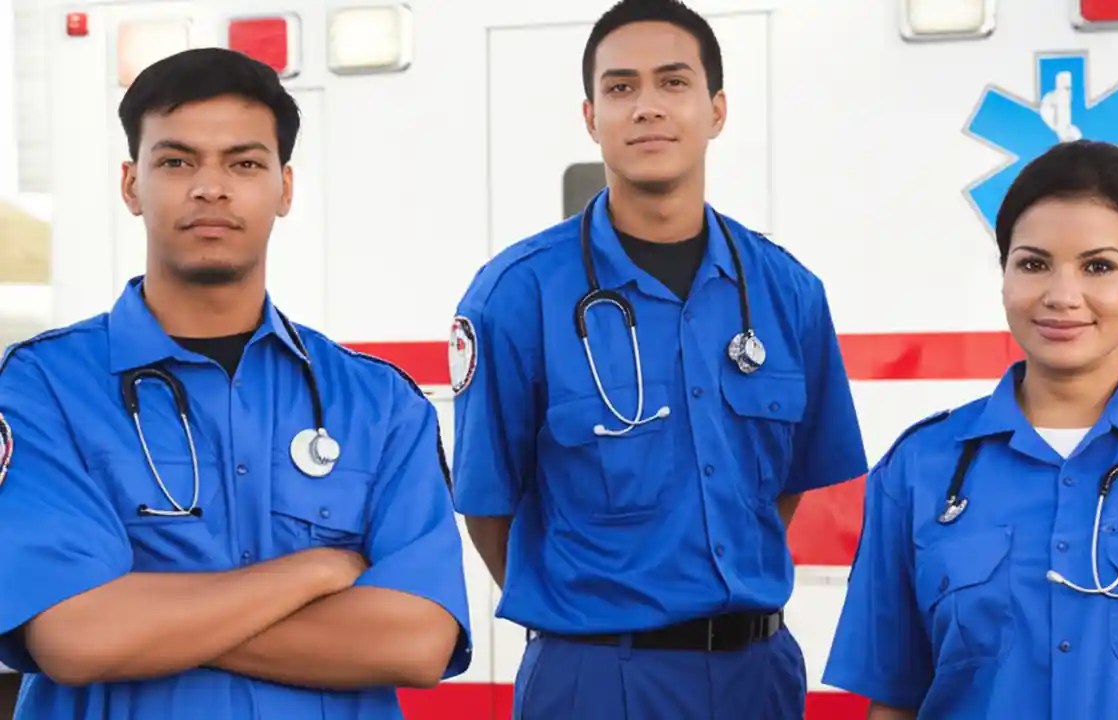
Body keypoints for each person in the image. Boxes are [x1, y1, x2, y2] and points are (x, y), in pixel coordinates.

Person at [0, 48, 471, 719]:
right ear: (132, 185)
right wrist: (316, 571)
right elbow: (75, 638)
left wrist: (148, 619)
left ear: (284, 187)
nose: (210, 187)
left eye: (244, 163)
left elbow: (418, 642)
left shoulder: (380, 403)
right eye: (176, 161)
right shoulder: (42, 387)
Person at [449, 0, 868, 717]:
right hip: (594, 680)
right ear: (591, 118)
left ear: (717, 109)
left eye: (673, 83)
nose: (646, 107)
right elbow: (489, 509)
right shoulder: (516, 297)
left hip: (757, 678)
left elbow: (786, 486)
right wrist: (589, 613)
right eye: (620, 88)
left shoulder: (787, 291)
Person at [822, 140, 1118, 719]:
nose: (1062, 297)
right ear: (1005, 276)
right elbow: (892, 703)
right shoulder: (919, 468)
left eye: (1099, 266)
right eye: (1034, 264)